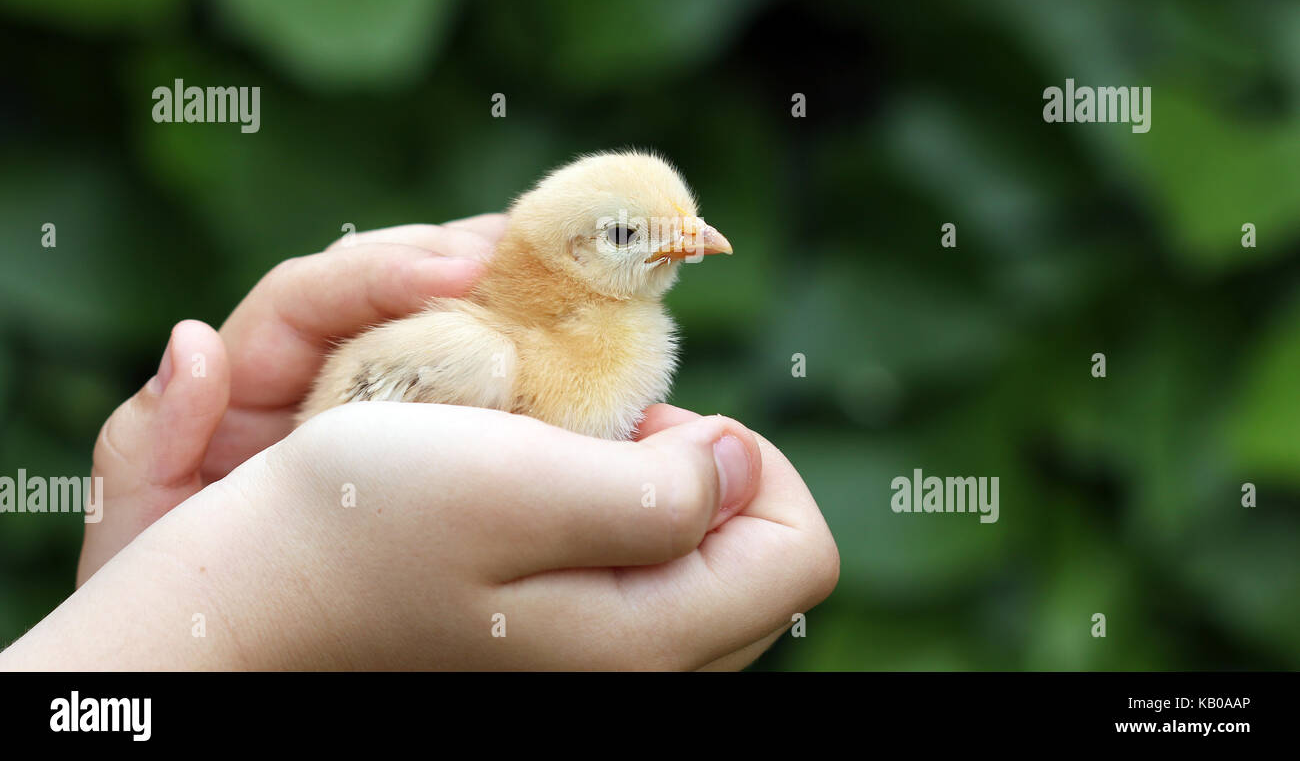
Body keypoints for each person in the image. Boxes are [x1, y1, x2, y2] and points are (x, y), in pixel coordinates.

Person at [0, 217, 838, 670]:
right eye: (630, 234)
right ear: (577, 253)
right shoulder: (473, 354)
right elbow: (339, 514)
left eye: (681, 225)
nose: (685, 238)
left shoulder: (584, 341)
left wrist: (164, 593)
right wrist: (252, 604)